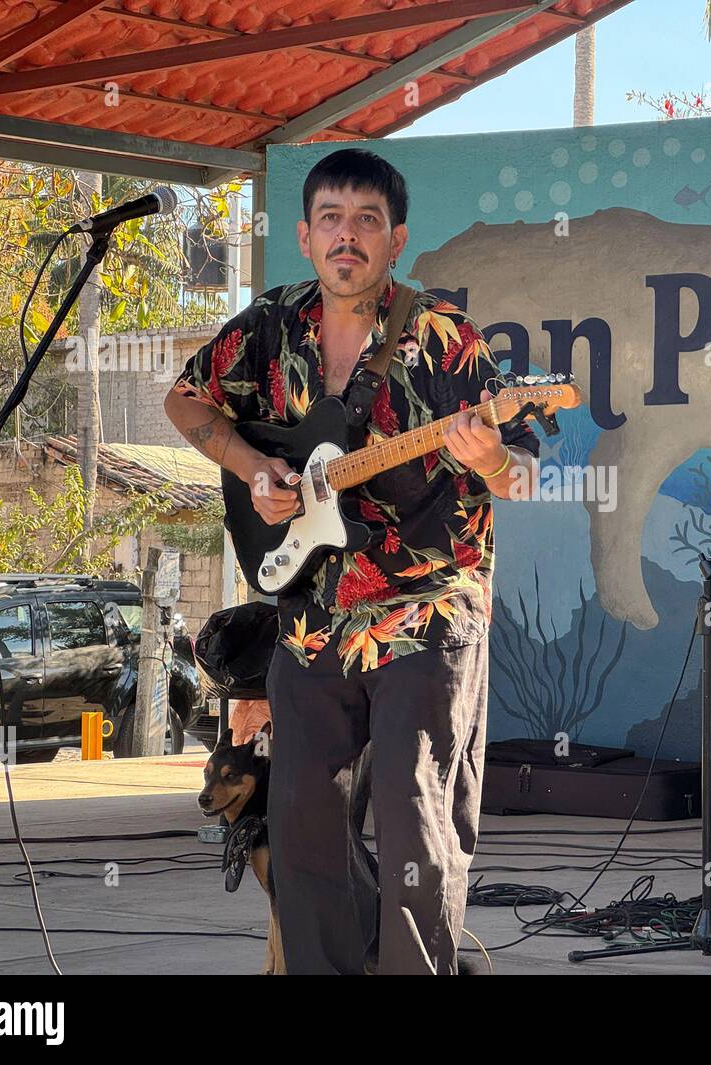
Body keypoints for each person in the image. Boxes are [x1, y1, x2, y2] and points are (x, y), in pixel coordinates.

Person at [164, 148, 539, 974]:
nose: (348, 236)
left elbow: (525, 469)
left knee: (415, 817)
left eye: (367, 221)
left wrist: (490, 459)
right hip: (310, 610)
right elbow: (185, 397)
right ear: (304, 235)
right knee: (304, 827)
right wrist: (251, 467)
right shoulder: (268, 326)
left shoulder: (444, 336)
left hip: (425, 606)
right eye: (331, 218)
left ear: (395, 239)